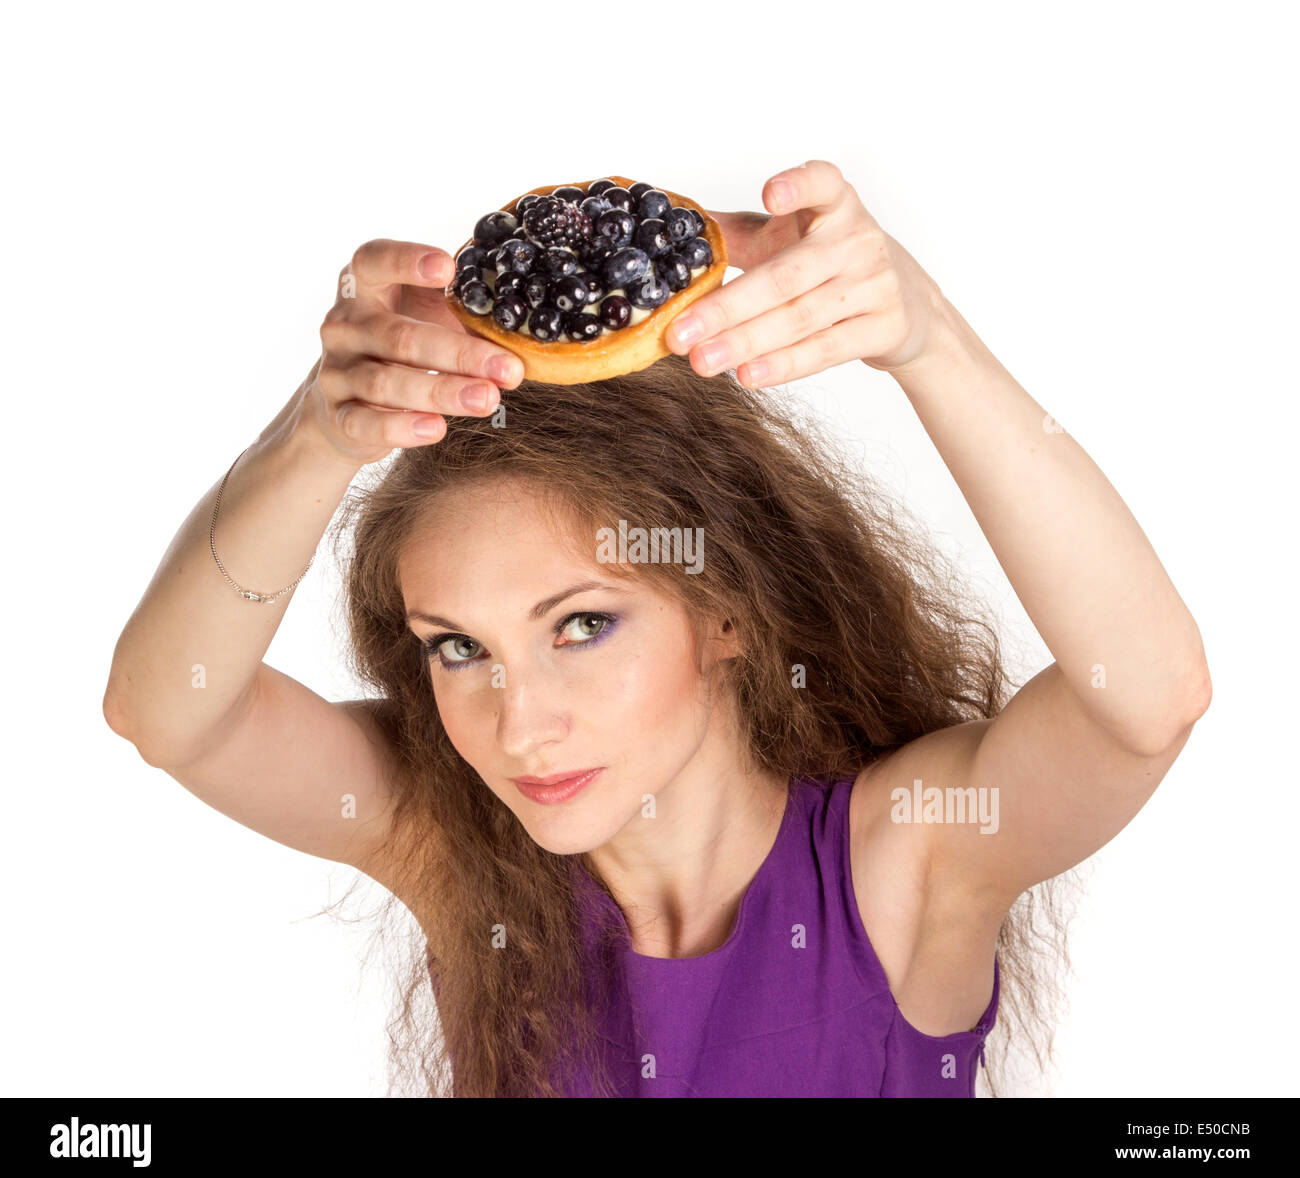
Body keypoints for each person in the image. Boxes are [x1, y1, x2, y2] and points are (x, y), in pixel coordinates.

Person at [103, 160, 1211, 1098]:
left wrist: (926, 344)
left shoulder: (898, 862)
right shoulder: (461, 857)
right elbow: (169, 710)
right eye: (458, 646)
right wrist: (318, 434)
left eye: (581, 623)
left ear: (725, 611)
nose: (520, 725)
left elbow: (1145, 699)